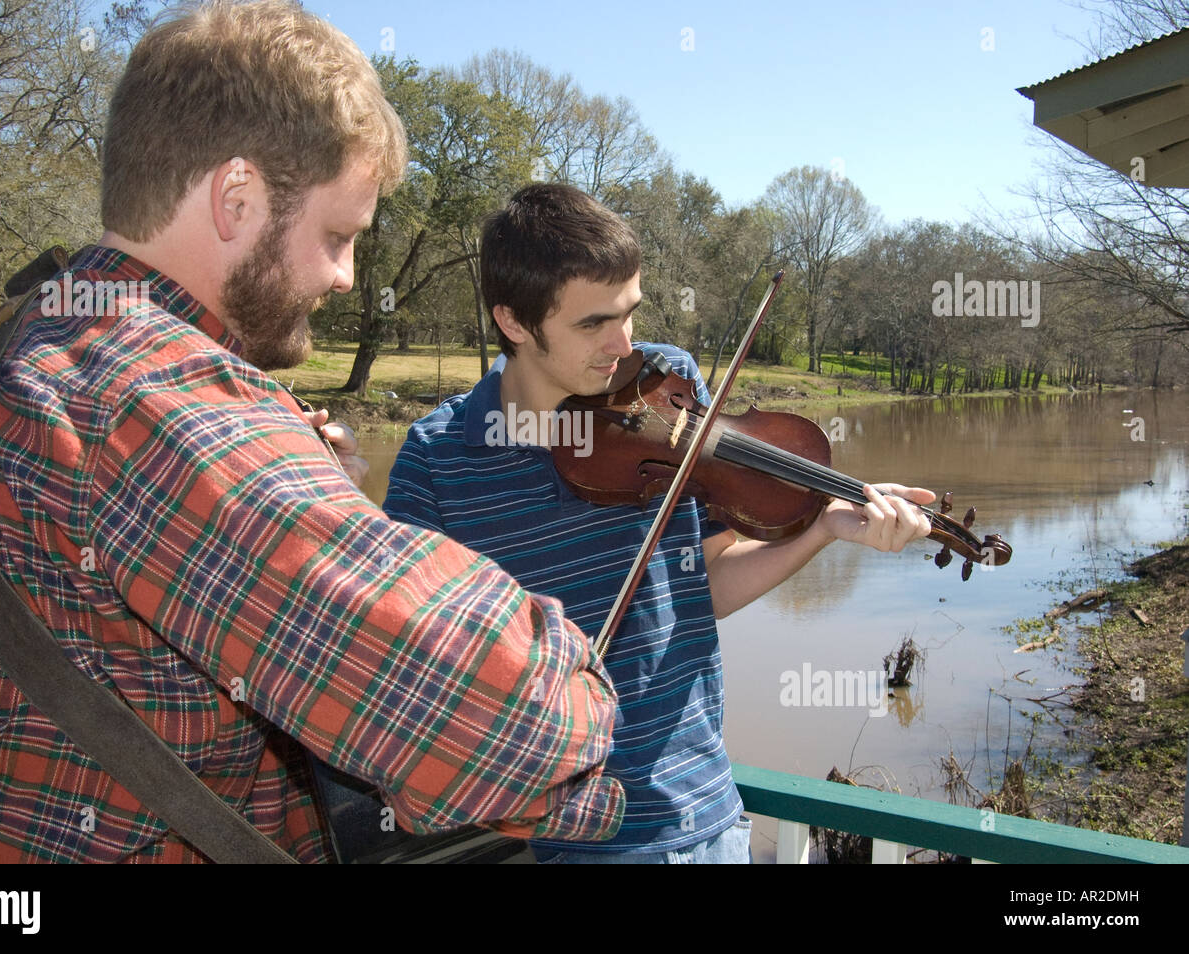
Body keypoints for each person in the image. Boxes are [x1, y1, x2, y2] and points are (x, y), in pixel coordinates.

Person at [0, 2, 624, 863]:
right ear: (236, 198)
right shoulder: (158, 399)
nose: (347, 277)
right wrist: (589, 704)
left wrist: (311, 494)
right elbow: (515, 731)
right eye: (337, 235)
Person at [382, 183, 935, 863]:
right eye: (593, 324)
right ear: (516, 322)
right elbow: (411, 666)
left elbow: (704, 585)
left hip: (708, 818)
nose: (624, 345)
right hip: (576, 842)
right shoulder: (438, 462)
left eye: (630, 314)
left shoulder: (667, 388)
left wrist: (820, 530)